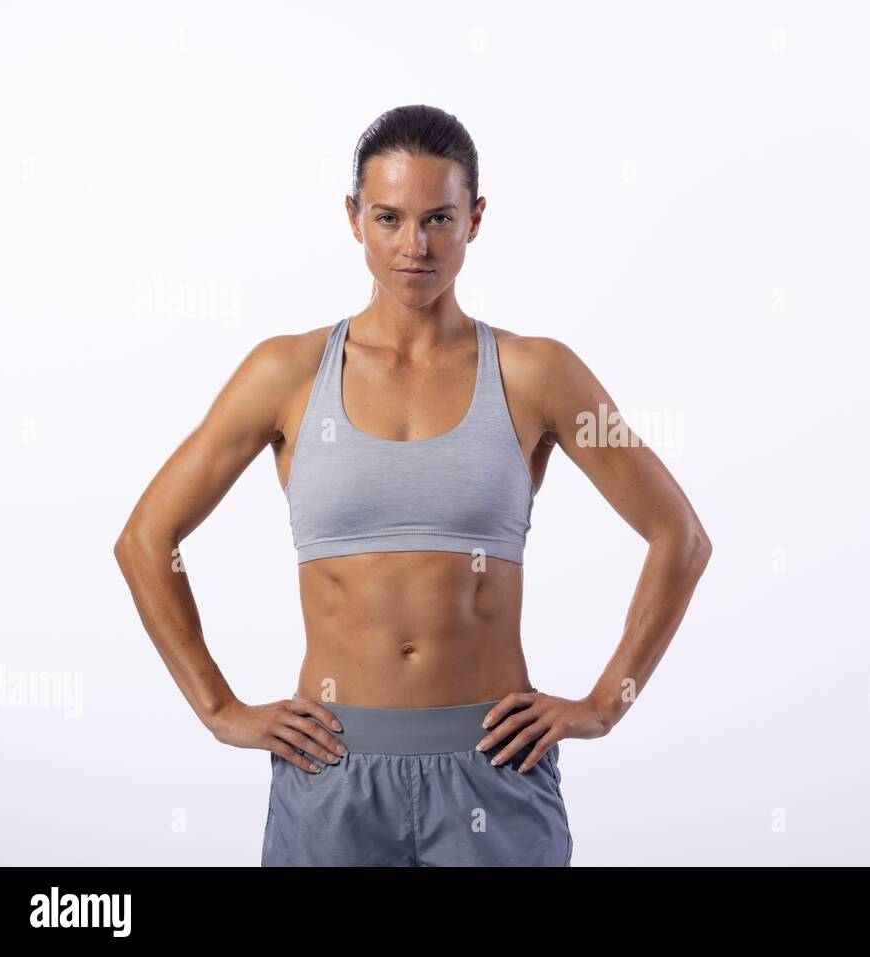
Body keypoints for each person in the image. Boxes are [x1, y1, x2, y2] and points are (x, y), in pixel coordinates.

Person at [112, 104, 712, 866]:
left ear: (476, 219)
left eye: (439, 218)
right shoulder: (286, 373)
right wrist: (219, 709)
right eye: (389, 218)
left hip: (494, 769)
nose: (414, 246)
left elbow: (680, 537)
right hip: (330, 770)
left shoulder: (536, 373)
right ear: (354, 219)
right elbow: (145, 539)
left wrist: (604, 705)